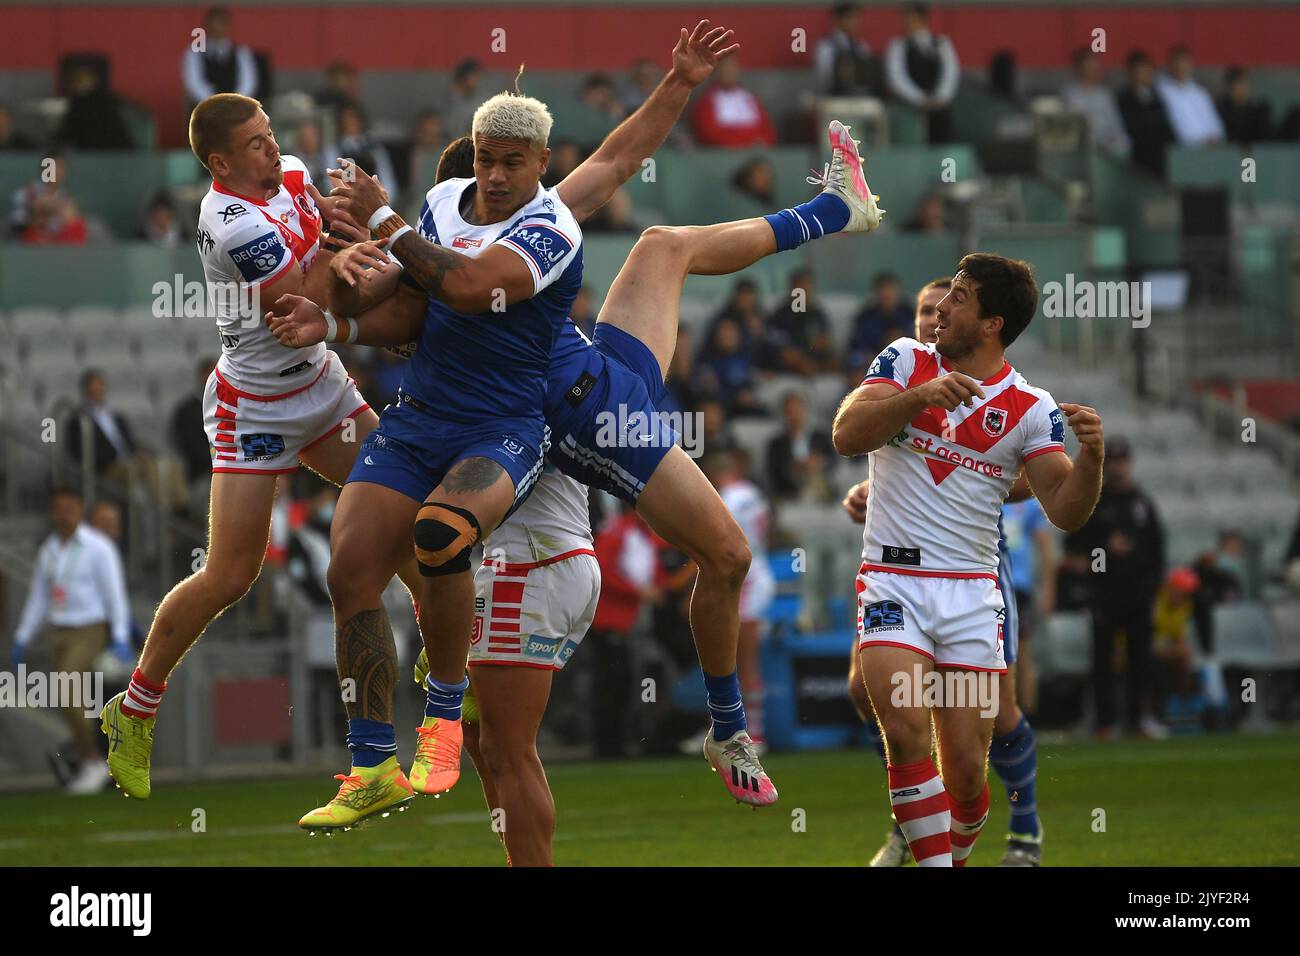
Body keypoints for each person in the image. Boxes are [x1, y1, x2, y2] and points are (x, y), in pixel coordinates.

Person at [273, 61, 882, 828]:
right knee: (662, 248)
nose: (492, 180)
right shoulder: (450, 224)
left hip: (593, 412)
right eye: (483, 164)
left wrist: (678, 82)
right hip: (576, 382)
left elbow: (604, 171)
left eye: (507, 165)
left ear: (528, 170)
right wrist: (342, 289)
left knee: (725, 550)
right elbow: (604, 169)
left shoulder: (527, 231)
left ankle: (727, 730)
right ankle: (832, 209)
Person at [95, 91, 404, 801]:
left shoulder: (289, 173)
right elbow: (303, 303)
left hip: (320, 383)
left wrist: (354, 221)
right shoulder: (230, 225)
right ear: (220, 162)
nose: (276, 149)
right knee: (231, 576)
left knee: (405, 514)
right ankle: (133, 711)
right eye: (259, 144)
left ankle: (451, 679)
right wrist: (348, 250)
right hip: (256, 402)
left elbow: (331, 230)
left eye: (272, 135)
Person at [833, 258, 1104, 867]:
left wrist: (1090, 461)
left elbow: (1064, 508)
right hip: (892, 582)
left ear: (991, 324)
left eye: (959, 298)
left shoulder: (1031, 407)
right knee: (902, 729)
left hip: (970, 597)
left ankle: (969, 844)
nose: (941, 308)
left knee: (966, 780)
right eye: (944, 295)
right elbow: (847, 434)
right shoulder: (904, 360)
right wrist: (917, 398)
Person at [11, 488, 133, 794]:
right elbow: (40, 596)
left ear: (80, 511)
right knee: (68, 698)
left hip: (88, 629)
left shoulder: (98, 547)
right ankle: (87, 757)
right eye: (59, 509)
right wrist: (22, 635)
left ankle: (93, 760)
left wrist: (119, 635)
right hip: (58, 630)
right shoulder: (49, 550)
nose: (64, 514)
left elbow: (114, 594)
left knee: (67, 684)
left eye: (70, 508)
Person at [1063, 436, 1166, 739]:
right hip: (1105, 593)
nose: (1119, 467)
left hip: (1138, 593)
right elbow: (1074, 549)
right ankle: (1104, 722)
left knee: (1140, 659)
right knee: (1102, 660)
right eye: (1115, 461)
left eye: (1123, 461)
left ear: (1130, 463)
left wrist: (1152, 587)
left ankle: (1137, 720)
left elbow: (1157, 550)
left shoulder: (1143, 504)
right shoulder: (1096, 500)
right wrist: (1105, 550)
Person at [703, 447, 774, 748]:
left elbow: (721, 542)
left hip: (745, 578)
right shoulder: (753, 494)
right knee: (737, 659)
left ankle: (752, 733)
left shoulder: (727, 499)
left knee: (737, 660)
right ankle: (727, 727)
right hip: (758, 571)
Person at [884, 2, 960, 144]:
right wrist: (920, 99)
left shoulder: (942, 44)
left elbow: (950, 74)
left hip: (940, 111)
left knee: (942, 151)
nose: (904, 22)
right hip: (909, 111)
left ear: (921, 18)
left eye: (909, 17)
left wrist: (940, 98)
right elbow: (897, 78)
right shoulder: (898, 46)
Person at [182, 6, 260, 111]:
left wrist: (234, 101)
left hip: (236, 110)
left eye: (222, 23)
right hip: (204, 110)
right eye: (214, 23)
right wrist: (213, 102)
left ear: (229, 26)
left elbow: (248, 83)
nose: (217, 27)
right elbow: (194, 84)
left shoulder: (241, 53)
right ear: (206, 26)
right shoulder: (193, 53)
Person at [761, 268, 836, 374]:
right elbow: (773, 338)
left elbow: (825, 339)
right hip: (790, 358)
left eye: (808, 287)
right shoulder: (782, 313)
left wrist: (822, 342)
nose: (805, 291)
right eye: (801, 287)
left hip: (814, 356)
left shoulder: (817, 313)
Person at [689, 57, 776, 148]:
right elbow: (708, 133)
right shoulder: (706, 103)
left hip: (755, 150)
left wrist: (759, 142)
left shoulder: (749, 98)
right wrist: (742, 144)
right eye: (725, 70)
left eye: (732, 69)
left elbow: (767, 129)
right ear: (716, 73)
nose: (729, 73)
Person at [765, 391, 834, 501]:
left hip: (820, 480)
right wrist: (796, 466)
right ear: (784, 414)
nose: (794, 415)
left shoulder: (820, 438)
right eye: (790, 411)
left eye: (798, 410)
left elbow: (833, 461)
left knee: (815, 476)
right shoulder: (777, 443)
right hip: (792, 487)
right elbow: (774, 470)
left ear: (805, 411)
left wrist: (820, 462)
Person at [1062, 49, 1131, 157]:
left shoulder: (1105, 94)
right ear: (1078, 66)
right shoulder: (1070, 94)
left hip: (1109, 149)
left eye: (1094, 63)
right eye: (1088, 63)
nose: (1092, 67)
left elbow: (1116, 125)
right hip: (1084, 151)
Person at [1118, 50, 1175, 177]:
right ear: (1130, 73)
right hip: (1139, 153)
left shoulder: (1157, 98)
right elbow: (1130, 128)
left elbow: (1166, 125)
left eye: (1146, 71)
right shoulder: (1124, 99)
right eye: (1138, 71)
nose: (1142, 75)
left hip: (1161, 153)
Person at [846, 271, 914, 377]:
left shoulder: (909, 313)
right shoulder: (866, 316)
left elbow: (919, 342)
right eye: (882, 289)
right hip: (873, 364)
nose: (886, 293)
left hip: (906, 362)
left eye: (890, 288)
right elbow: (855, 347)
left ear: (898, 291)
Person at [1156, 46, 1225, 147]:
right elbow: (1175, 124)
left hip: (1210, 149)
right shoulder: (1162, 91)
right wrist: (1196, 142)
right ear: (1169, 64)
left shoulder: (1201, 93)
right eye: (1177, 61)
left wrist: (1214, 138)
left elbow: (1216, 126)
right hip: (1182, 150)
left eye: (1184, 62)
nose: (1181, 66)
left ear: (1191, 64)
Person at [815, 2, 879, 97]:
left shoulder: (862, 46)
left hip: (860, 97)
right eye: (849, 17)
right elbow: (826, 79)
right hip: (834, 98)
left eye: (857, 18)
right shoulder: (825, 47)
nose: (854, 22)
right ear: (837, 19)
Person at [1217, 67, 1273, 146]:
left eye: (1245, 83)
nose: (1243, 88)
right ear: (1229, 87)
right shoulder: (1220, 112)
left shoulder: (1259, 112)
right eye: (1238, 84)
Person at [444, 59, 484, 136]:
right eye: (475, 76)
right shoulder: (450, 100)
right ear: (465, 77)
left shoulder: (479, 99)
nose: (478, 80)